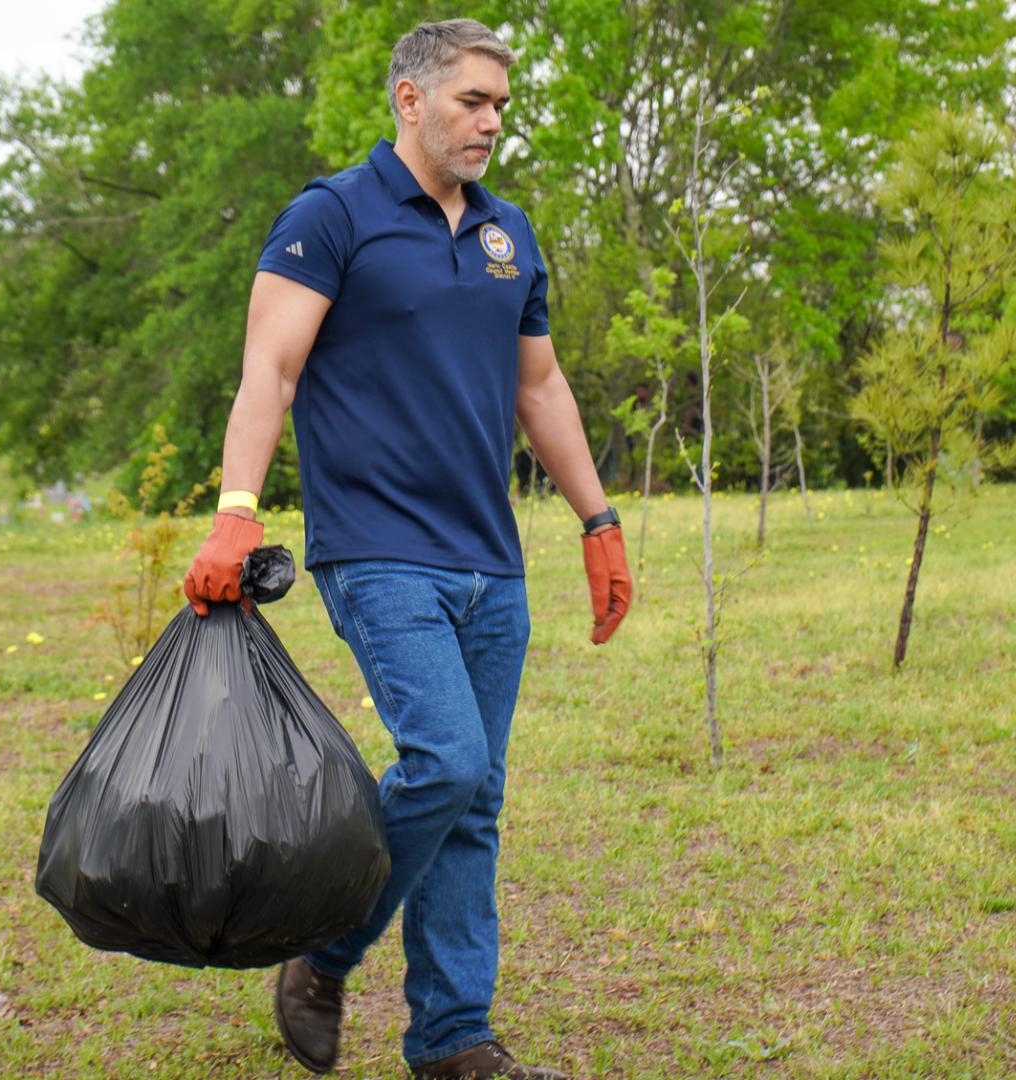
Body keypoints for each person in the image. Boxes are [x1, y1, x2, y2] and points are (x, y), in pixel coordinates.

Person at [182, 17, 631, 1080]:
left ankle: (453, 1039)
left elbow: (540, 387)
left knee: (475, 803)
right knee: (446, 761)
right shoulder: (330, 217)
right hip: (378, 550)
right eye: (472, 101)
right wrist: (237, 507)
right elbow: (269, 372)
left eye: (500, 107)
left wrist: (599, 520)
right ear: (409, 99)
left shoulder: (507, 233)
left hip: (491, 558)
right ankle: (324, 954)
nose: (490, 122)